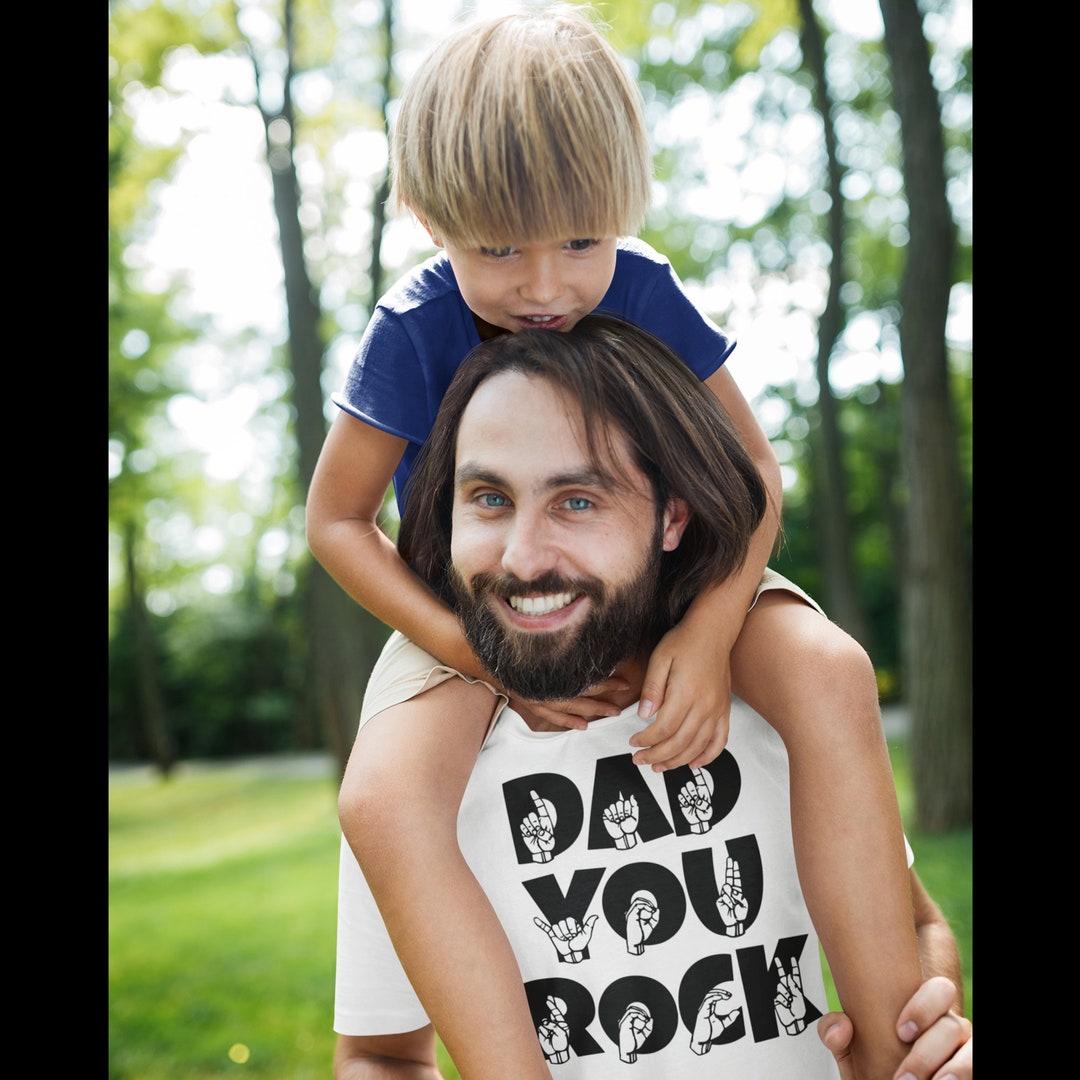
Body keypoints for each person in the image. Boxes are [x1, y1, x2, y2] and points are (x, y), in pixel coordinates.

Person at [308, 5, 926, 1075]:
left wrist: (708, 630)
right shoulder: (412, 328)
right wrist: (474, 656)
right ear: (425, 216)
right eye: (498, 249)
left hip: (684, 571)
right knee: (382, 793)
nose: (545, 286)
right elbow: (335, 522)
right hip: (469, 601)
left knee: (827, 669)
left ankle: (889, 1047)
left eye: (580, 240)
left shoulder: (643, 287)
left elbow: (756, 478)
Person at [332, 316, 971, 1078]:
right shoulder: (418, 768)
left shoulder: (778, 701)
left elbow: (917, 921)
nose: (523, 557)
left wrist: (928, 1025)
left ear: (673, 516)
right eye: (490, 499)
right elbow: (379, 1056)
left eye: (578, 501)